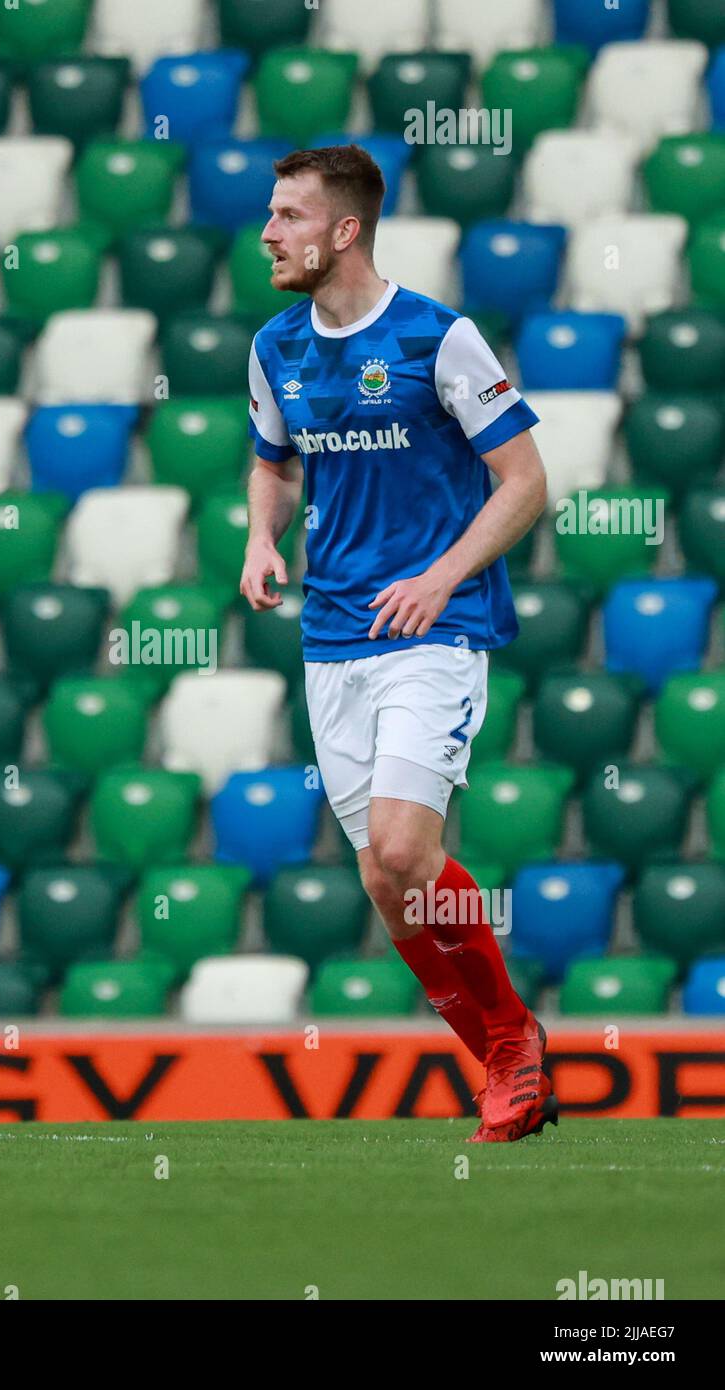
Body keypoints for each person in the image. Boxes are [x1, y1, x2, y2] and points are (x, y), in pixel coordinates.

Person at [240, 145, 553, 1142]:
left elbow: (525, 481)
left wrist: (441, 576)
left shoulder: (437, 338)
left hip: (434, 628)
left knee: (407, 847)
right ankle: (505, 1042)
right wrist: (260, 535)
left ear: (345, 230)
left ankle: (510, 1049)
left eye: (289, 215)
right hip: (332, 639)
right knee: (387, 881)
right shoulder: (275, 346)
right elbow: (276, 465)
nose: (268, 233)